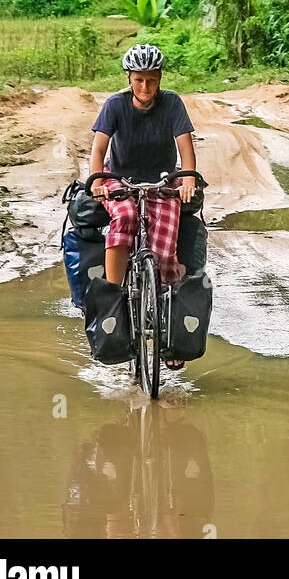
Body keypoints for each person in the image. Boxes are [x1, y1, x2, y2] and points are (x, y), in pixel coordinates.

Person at [89, 44, 197, 370]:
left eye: (151, 80)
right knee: (125, 218)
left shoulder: (173, 104)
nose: (145, 88)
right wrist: (96, 180)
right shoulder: (115, 105)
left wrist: (188, 178)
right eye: (138, 80)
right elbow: (98, 149)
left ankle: (170, 334)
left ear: (160, 77)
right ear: (129, 78)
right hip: (119, 178)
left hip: (163, 180)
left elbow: (185, 147)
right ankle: (115, 303)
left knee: (165, 250)